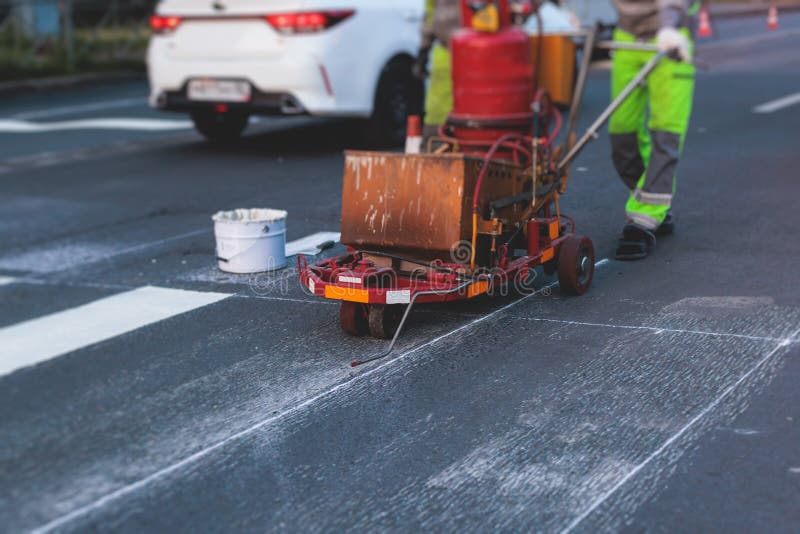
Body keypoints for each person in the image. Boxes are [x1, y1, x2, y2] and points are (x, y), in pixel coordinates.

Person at [609, 0, 698, 260]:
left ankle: (643, 220)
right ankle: (655, 198)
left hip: (671, 37)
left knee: (665, 133)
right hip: (627, 35)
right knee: (622, 131)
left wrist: (669, 26)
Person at [414, 0, 462, 142]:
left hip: (479, 51)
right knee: (437, 112)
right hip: (447, 50)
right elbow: (430, 13)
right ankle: (435, 143)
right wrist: (423, 50)